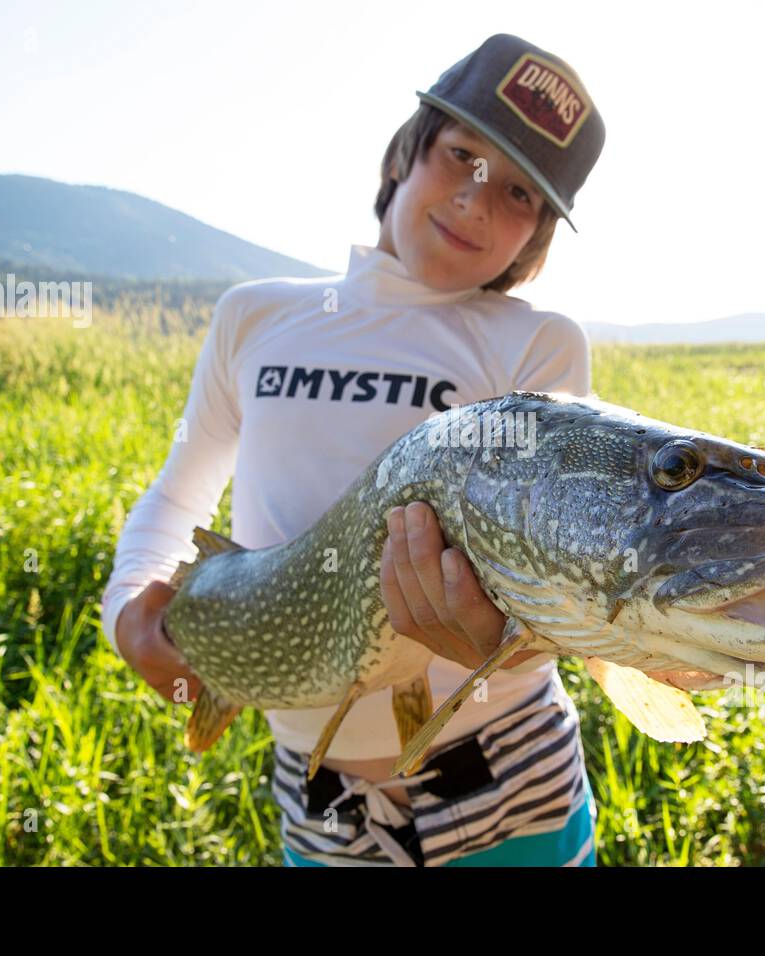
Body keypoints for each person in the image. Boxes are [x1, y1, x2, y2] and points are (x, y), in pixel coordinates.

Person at [102, 33, 607, 867]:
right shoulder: (255, 317)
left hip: (507, 777)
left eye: (518, 192)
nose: (476, 202)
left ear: (538, 234)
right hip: (323, 801)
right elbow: (179, 493)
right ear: (407, 151)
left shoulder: (537, 346)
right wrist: (128, 607)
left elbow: (552, 574)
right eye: (460, 156)